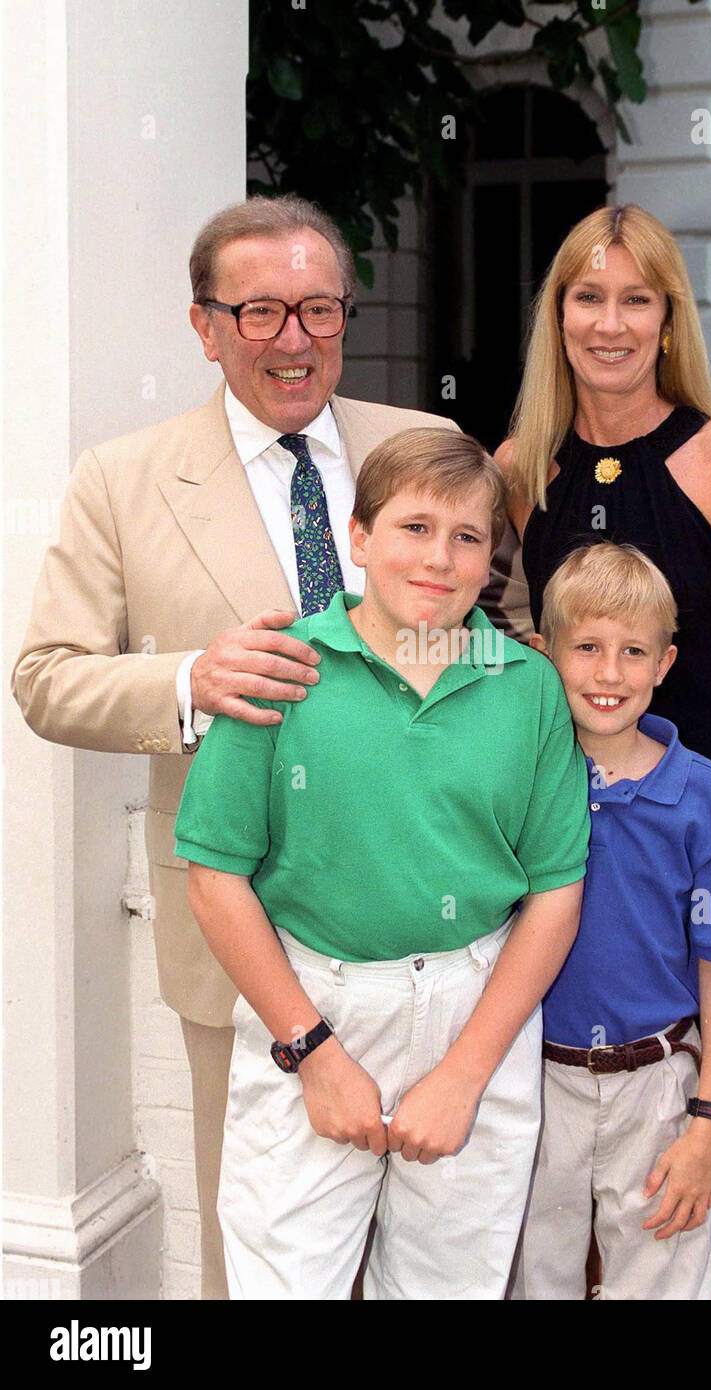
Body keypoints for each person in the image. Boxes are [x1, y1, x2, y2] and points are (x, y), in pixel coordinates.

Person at [10, 194, 462, 1299]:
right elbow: (44, 677)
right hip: (239, 923)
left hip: (438, 921)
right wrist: (186, 680)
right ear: (204, 326)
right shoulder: (121, 478)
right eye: (258, 312)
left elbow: (504, 648)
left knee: (437, 1235)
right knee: (256, 1245)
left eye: (317, 308)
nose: (293, 339)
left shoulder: (430, 451)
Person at [172, 428, 589, 1299]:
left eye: (467, 537)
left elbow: (554, 892)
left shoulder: (526, 686)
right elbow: (214, 876)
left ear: (491, 560)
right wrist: (314, 1053)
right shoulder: (284, 670)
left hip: (477, 1011)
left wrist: (464, 1075)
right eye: (414, 527)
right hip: (313, 1006)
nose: (439, 558)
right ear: (358, 538)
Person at [489, 202, 711, 1089]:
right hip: (563, 855)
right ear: (557, 315)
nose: (610, 323)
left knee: (688, 1131)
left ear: (668, 320)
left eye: (637, 300)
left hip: (706, 851)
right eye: (587, 296)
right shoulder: (524, 466)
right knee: (556, 1133)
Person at [512, 541, 711, 1300]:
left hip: (657, 1086)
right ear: (543, 651)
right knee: (527, 1283)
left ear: (665, 662)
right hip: (527, 1079)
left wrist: (708, 1120)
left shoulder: (708, 799)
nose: (609, 673)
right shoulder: (516, 776)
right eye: (585, 647)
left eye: (632, 651)